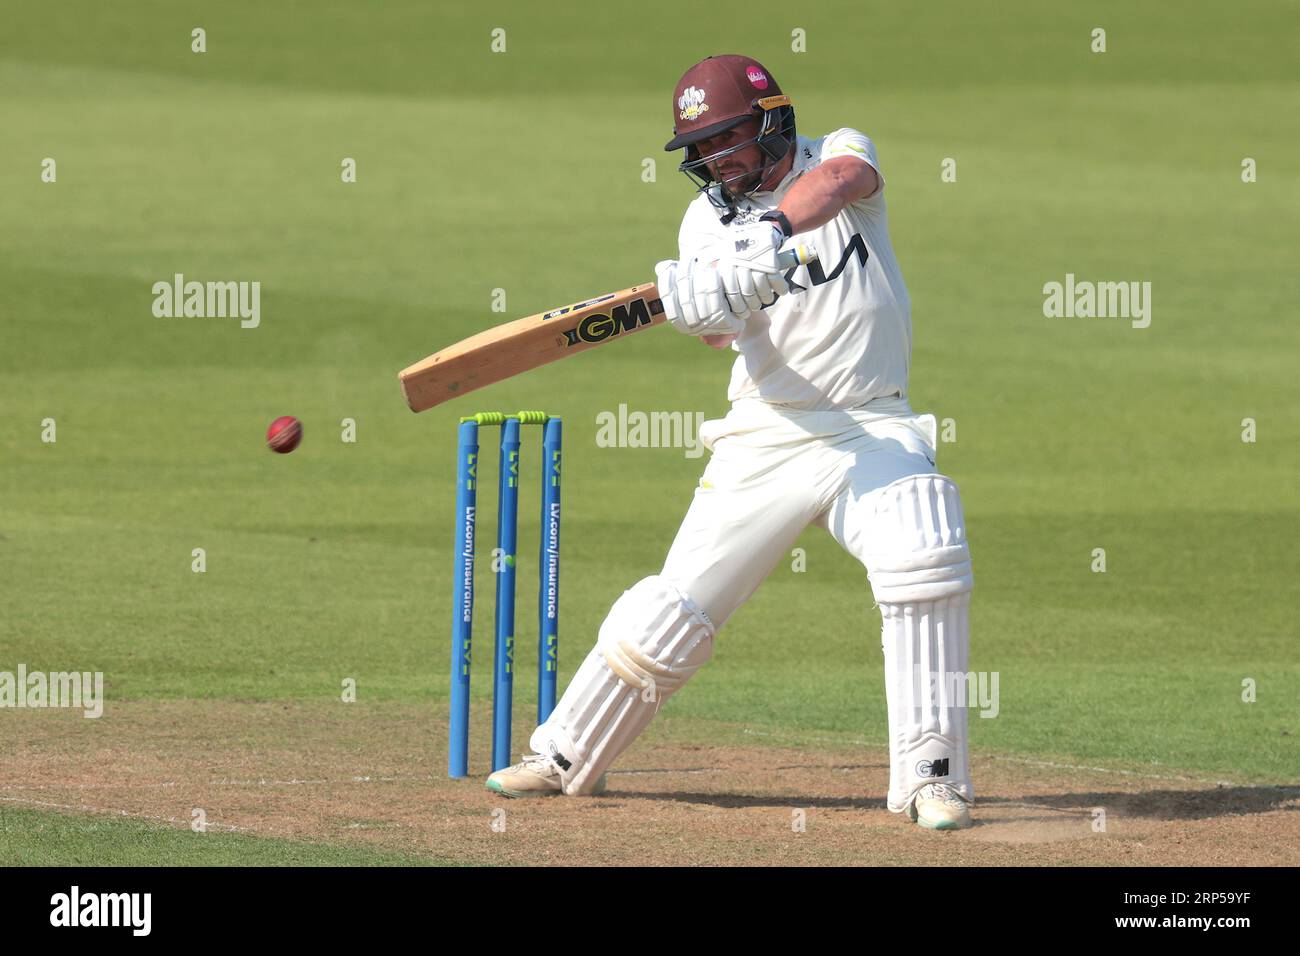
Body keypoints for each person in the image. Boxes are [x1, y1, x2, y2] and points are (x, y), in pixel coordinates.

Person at [486, 54, 975, 830]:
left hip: (872, 421)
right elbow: (720, 334)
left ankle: (931, 777)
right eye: (702, 150)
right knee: (673, 610)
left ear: (773, 121)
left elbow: (845, 181)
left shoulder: (835, 153)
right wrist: (709, 305)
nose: (716, 160)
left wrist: (773, 230)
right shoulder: (705, 220)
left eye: (728, 139)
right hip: (765, 432)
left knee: (926, 549)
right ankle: (565, 754)